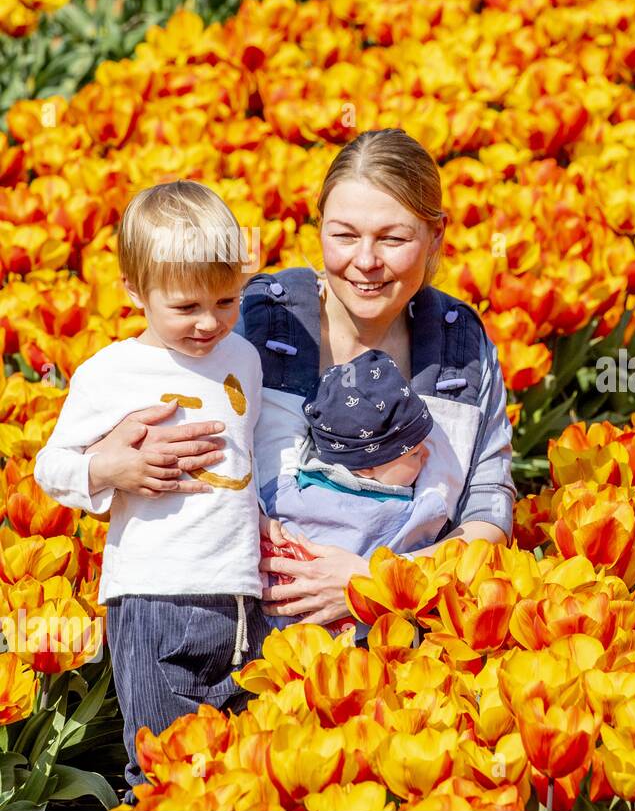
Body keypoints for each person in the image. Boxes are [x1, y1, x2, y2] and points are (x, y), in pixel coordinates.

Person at [81, 128, 516, 639]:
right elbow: (149, 399)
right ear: (319, 229)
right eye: (344, 235)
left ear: (436, 235)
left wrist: (372, 582)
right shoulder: (263, 323)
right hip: (234, 642)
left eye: (393, 238)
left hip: (408, 642)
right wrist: (109, 454)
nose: (366, 261)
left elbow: (488, 511)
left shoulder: (460, 348)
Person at [31, 181, 275, 802]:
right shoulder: (110, 373)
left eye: (226, 300)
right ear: (135, 293)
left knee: (235, 766)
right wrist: (111, 470)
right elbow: (51, 467)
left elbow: (245, 454)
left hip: (240, 596)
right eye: (185, 306)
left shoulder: (243, 357)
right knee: (161, 763)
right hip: (152, 596)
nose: (208, 322)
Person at [261, 347, 442, 639]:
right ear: (367, 468)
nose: (427, 456)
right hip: (360, 637)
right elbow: (436, 521)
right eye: (413, 454)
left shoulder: (290, 489)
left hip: (280, 631)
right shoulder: (396, 512)